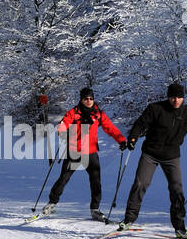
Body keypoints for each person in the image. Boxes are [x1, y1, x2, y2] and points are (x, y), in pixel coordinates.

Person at [118, 82, 187, 239]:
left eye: (179, 97)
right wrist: (133, 139)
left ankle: (180, 228)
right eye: (173, 97)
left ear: (183, 97)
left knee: (176, 189)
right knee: (140, 184)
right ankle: (128, 220)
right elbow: (140, 124)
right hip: (150, 153)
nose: (176, 100)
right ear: (168, 97)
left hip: (171, 156)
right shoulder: (155, 109)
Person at [41, 88, 127, 221]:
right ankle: (51, 203)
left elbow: (110, 127)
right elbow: (63, 124)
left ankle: (95, 209)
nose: (89, 101)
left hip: (90, 152)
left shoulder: (98, 114)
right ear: (81, 99)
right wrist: (63, 132)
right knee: (64, 178)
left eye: (91, 99)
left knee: (96, 181)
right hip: (74, 151)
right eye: (86, 98)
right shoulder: (74, 112)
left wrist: (121, 140)